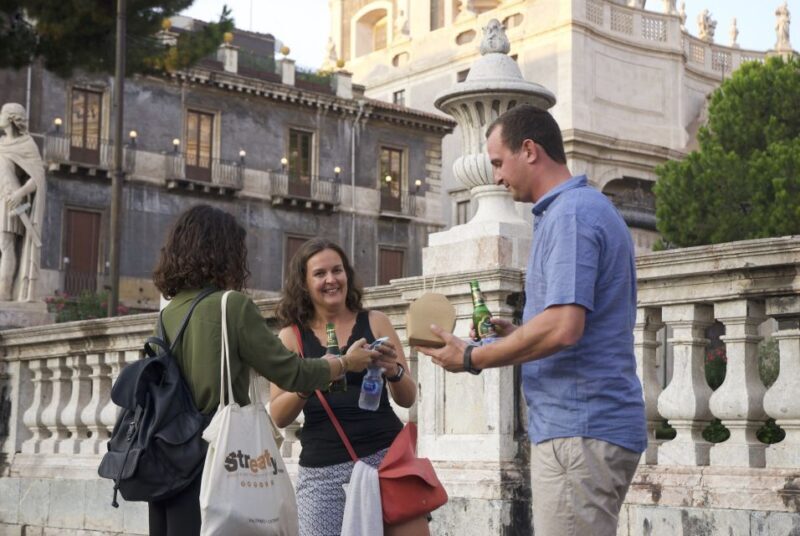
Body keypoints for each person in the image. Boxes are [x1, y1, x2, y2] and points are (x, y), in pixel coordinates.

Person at [418, 105, 646, 536]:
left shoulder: (571, 216)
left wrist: (474, 356)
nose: (498, 177)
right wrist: (521, 334)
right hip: (586, 426)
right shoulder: (579, 209)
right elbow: (571, 323)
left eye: (499, 163)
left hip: (579, 429)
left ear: (529, 150)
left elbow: (564, 327)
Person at [149, 206, 378, 536]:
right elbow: (289, 372)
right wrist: (343, 363)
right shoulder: (231, 306)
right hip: (218, 457)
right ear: (224, 252)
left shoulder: (168, 314)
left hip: (168, 460)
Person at [270, 238, 428, 536]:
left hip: (388, 459)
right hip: (323, 471)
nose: (331, 280)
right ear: (303, 283)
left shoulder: (376, 321)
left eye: (337, 270)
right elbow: (279, 415)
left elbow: (407, 398)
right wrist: (318, 375)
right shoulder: (291, 338)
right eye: (319, 274)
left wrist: (393, 370)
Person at [0, 102, 45, 302]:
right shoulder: (0, 144)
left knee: (6, 246)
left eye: (1, 113)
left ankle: (4, 291)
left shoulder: (26, 145)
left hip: (11, 202)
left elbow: (37, 178)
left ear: (10, 118)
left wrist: (20, 194)